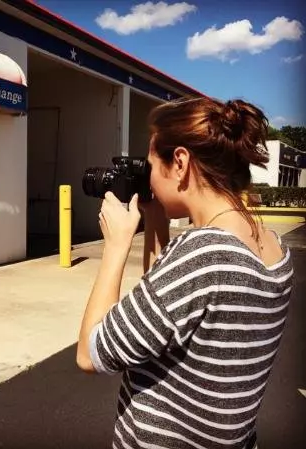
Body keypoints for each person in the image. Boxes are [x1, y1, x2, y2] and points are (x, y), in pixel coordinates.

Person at [76, 97, 294, 449]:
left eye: (151, 165)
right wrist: (157, 220)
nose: (149, 177)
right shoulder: (274, 249)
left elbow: (90, 353)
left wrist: (116, 246)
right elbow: (169, 309)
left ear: (180, 162)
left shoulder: (201, 254)